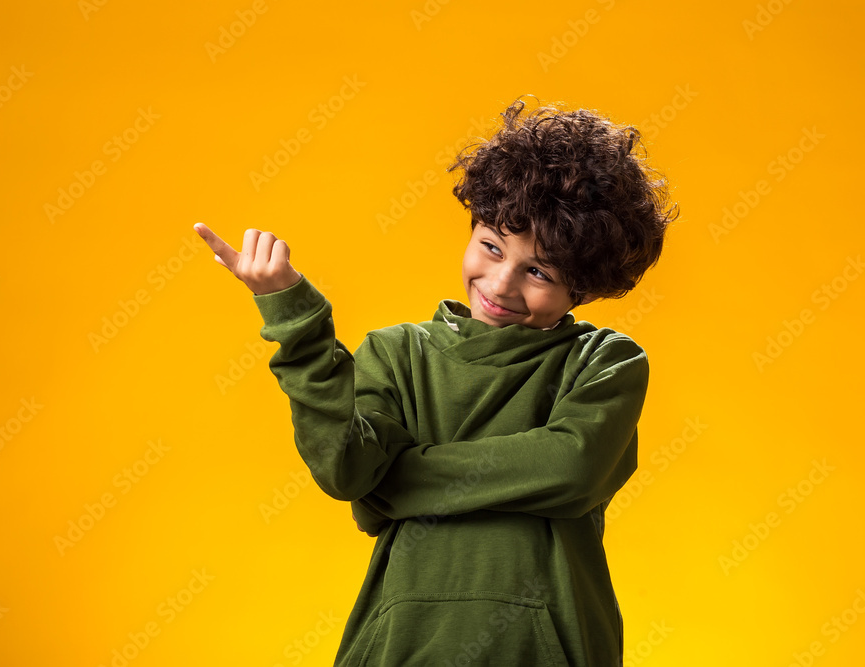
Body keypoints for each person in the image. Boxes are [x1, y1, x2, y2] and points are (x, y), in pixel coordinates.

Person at [195, 95, 679, 666]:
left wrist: (395, 485)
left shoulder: (604, 361)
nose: (500, 284)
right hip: (400, 648)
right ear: (472, 228)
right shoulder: (396, 354)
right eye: (491, 246)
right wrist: (296, 322)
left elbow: (571, 467)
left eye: (539, 272)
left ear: (587, 286)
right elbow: (347, 469)